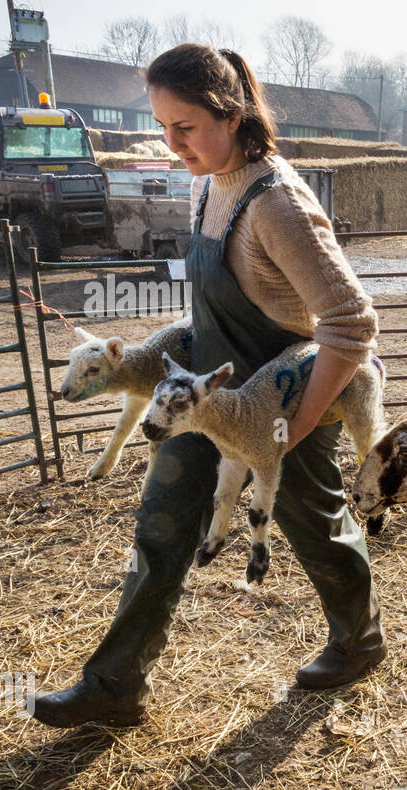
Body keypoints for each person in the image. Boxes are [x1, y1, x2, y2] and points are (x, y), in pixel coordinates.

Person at [31, 45, 386, 727]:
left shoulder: (278, 203)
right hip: (204, 399)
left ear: (231, 114)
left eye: (184, 127)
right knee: (161, 525)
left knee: (312, 526)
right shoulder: (204, 185)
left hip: (283, 397)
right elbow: (213, 306)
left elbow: (351, 321)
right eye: (162, 126)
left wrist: (299, 423)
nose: (172, 143)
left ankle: (359, 638)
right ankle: (115, 684)